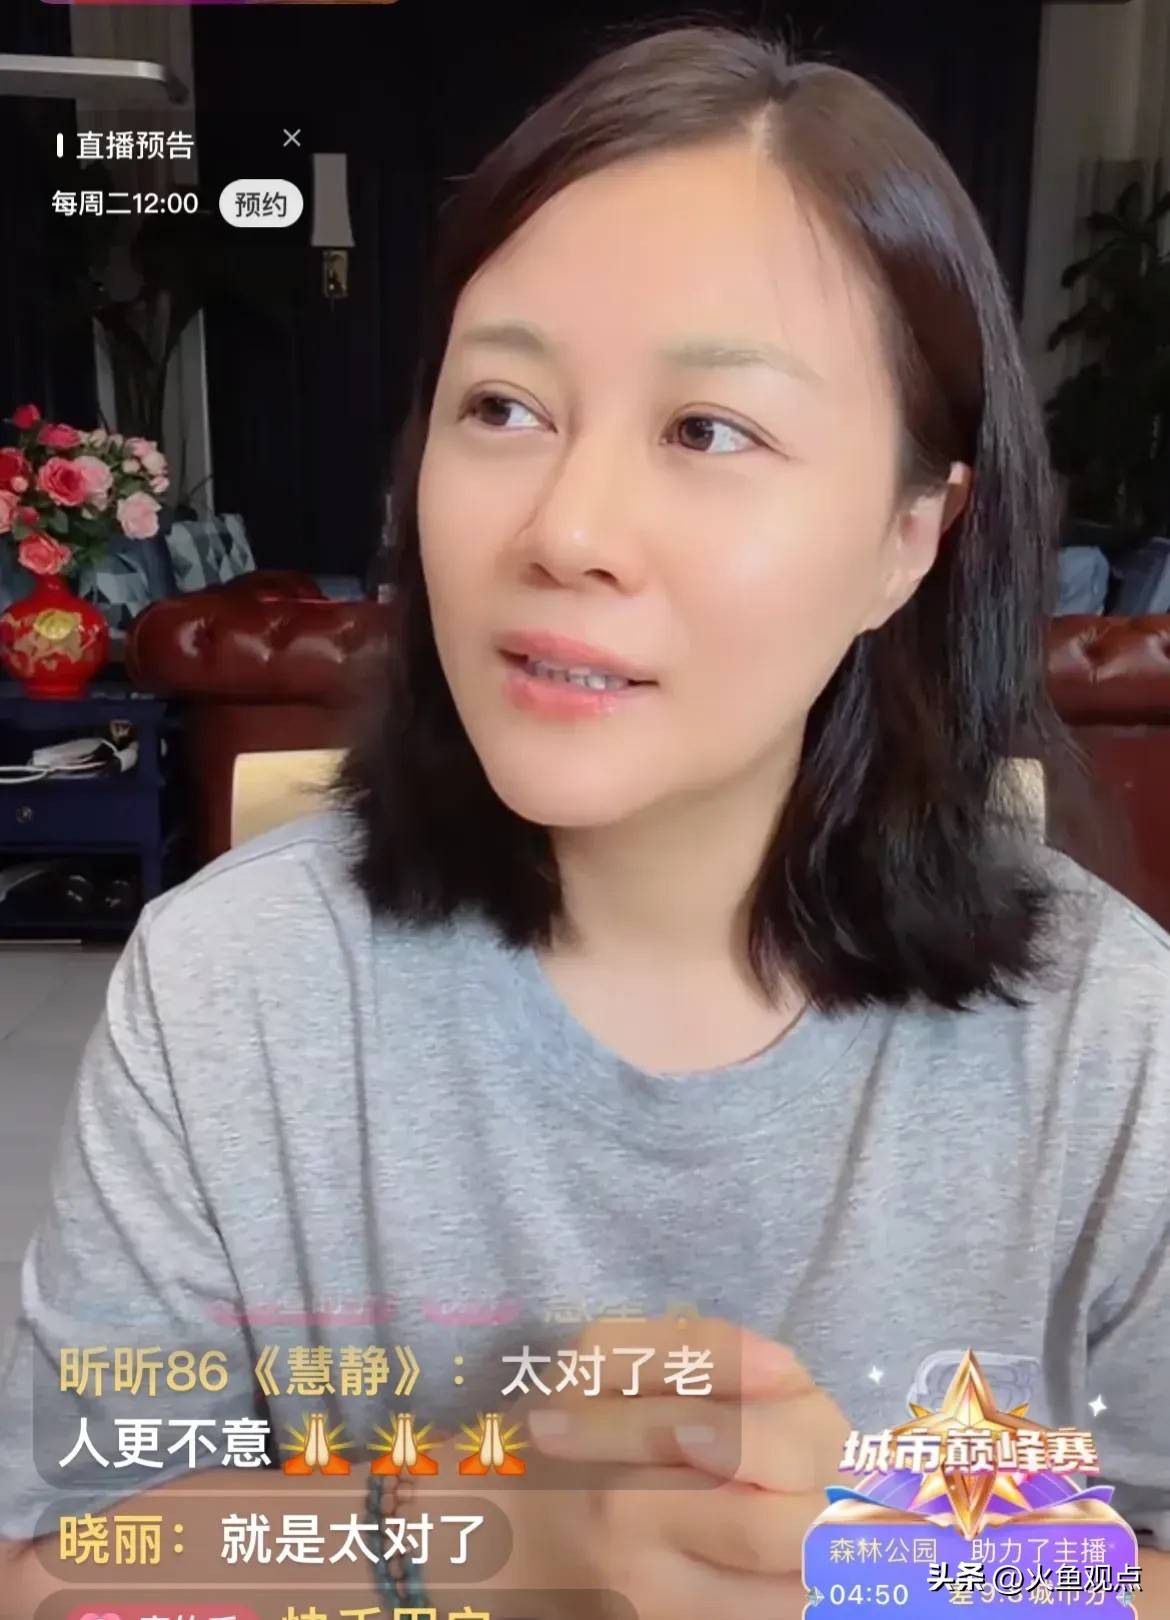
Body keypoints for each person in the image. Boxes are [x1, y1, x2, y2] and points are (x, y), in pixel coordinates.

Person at [2, 21, 1168, 1620]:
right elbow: (69, 1564)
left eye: (707, 430)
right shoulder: (225, 993)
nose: (565, 528)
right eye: (501, 406)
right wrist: (484, 1532)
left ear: (912, 535)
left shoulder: (1114, 1044)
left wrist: (885, 1553)